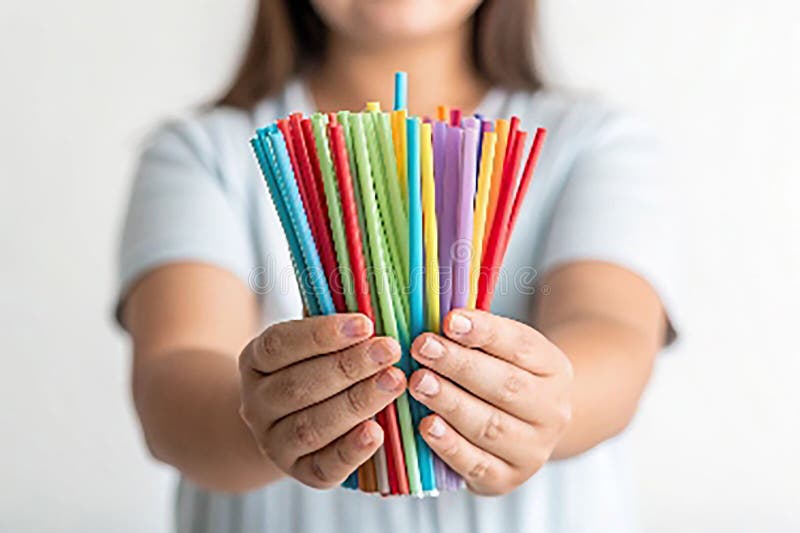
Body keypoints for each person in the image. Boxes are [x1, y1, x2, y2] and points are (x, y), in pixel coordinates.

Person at [117, 1, 679, 531]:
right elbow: (174, 380)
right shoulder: (202, 152)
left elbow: (615, 333)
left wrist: (545, 406)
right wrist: (263, 418)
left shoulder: (595, 142)